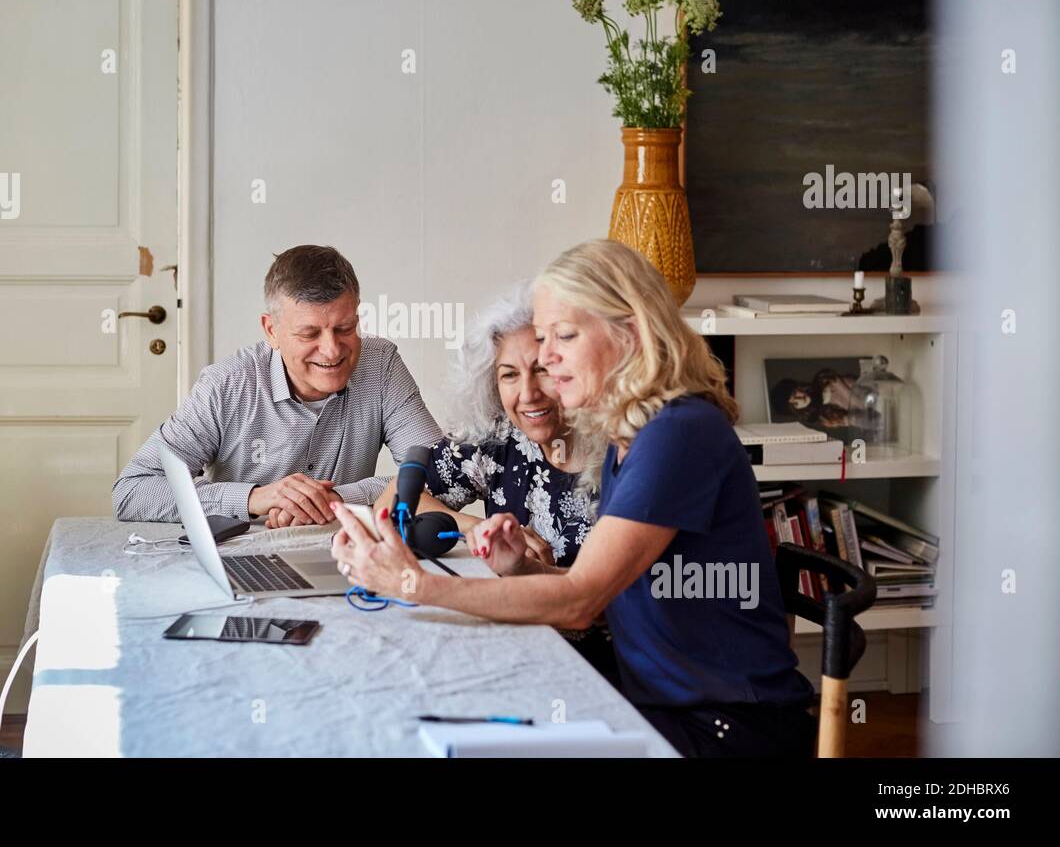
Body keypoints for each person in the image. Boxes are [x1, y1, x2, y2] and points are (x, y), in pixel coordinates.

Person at [330, 239, 815, 757]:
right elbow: (607, 600)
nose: (547, 358)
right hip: (655, 706)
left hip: (726, 728)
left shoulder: (678, 434)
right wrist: (522, 569)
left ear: (629, 331)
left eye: (564, 336)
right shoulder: (632, 434)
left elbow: (582, 602)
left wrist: (410, 582)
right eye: (542, 338)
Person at [371, 283, 616, 684]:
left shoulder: (621, 451)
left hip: (608, 667)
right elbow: (398, 495)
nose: (527, 394)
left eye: (541, 370)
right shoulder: (501, 441)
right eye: (508, 375)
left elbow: (599, 603)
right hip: (521, 645)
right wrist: (473, 528)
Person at [114, 244, 442, 525]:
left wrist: (337, 498)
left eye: (345, 328)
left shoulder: (381, 365)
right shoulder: (226, 384)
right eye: (309, 334)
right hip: (241, 563)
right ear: (271, 330)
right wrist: (256, 499)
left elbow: (444, 476)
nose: (331, 349)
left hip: (347, 561)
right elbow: (134, 490)